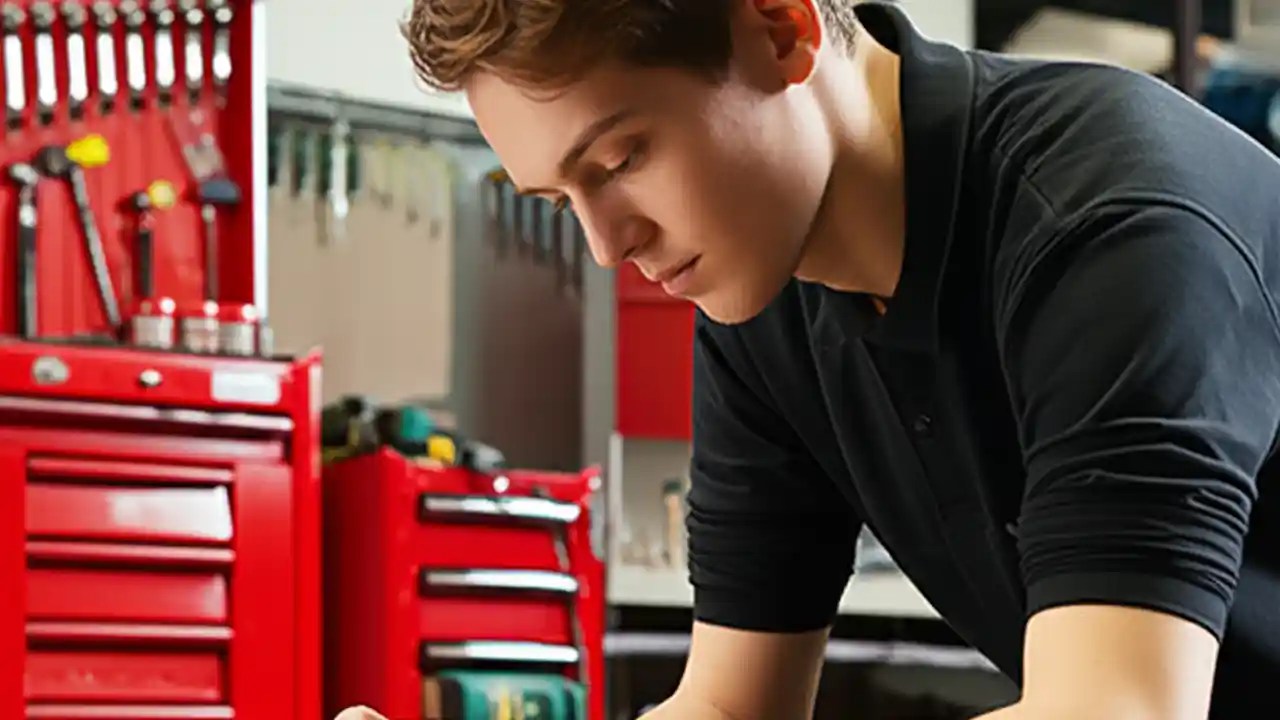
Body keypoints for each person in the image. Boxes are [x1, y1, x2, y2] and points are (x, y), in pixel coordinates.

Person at [342, 1, 1280, 718]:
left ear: (781, 28)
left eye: (622, 159)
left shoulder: (1108, 229)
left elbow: (1110, 711)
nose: (605, 246)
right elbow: (727, 705)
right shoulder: (764, 304)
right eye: (559, 199)